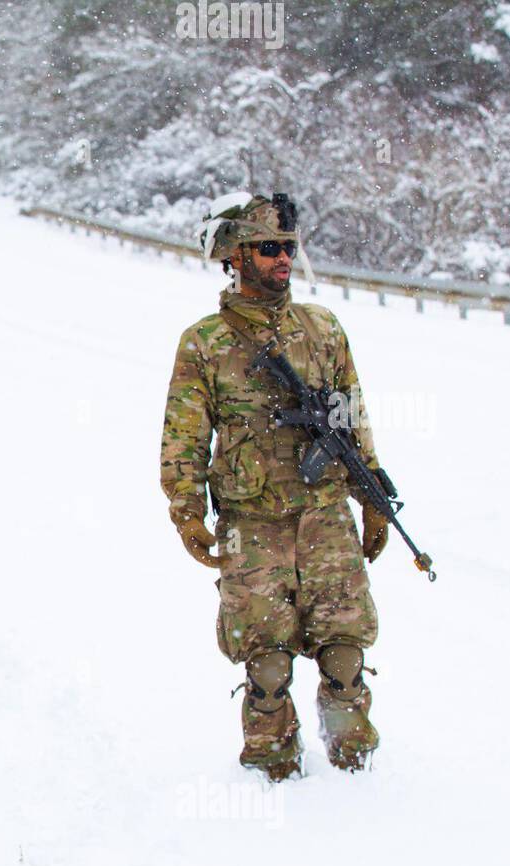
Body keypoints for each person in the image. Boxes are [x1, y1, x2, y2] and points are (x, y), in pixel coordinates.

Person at [160, 193, 389, 782]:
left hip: (325, 516)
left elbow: (352, 420)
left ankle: (355, 768)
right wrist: (186, 513)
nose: (283, 258)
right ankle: (273, 769)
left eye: (288, 248)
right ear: (235, 257)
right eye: (268, 248)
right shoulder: (205, 341)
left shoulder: (323, 329)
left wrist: (374, 501)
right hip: (251, 523)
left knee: (344, 654)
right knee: (267, 665)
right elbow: (184, 436)